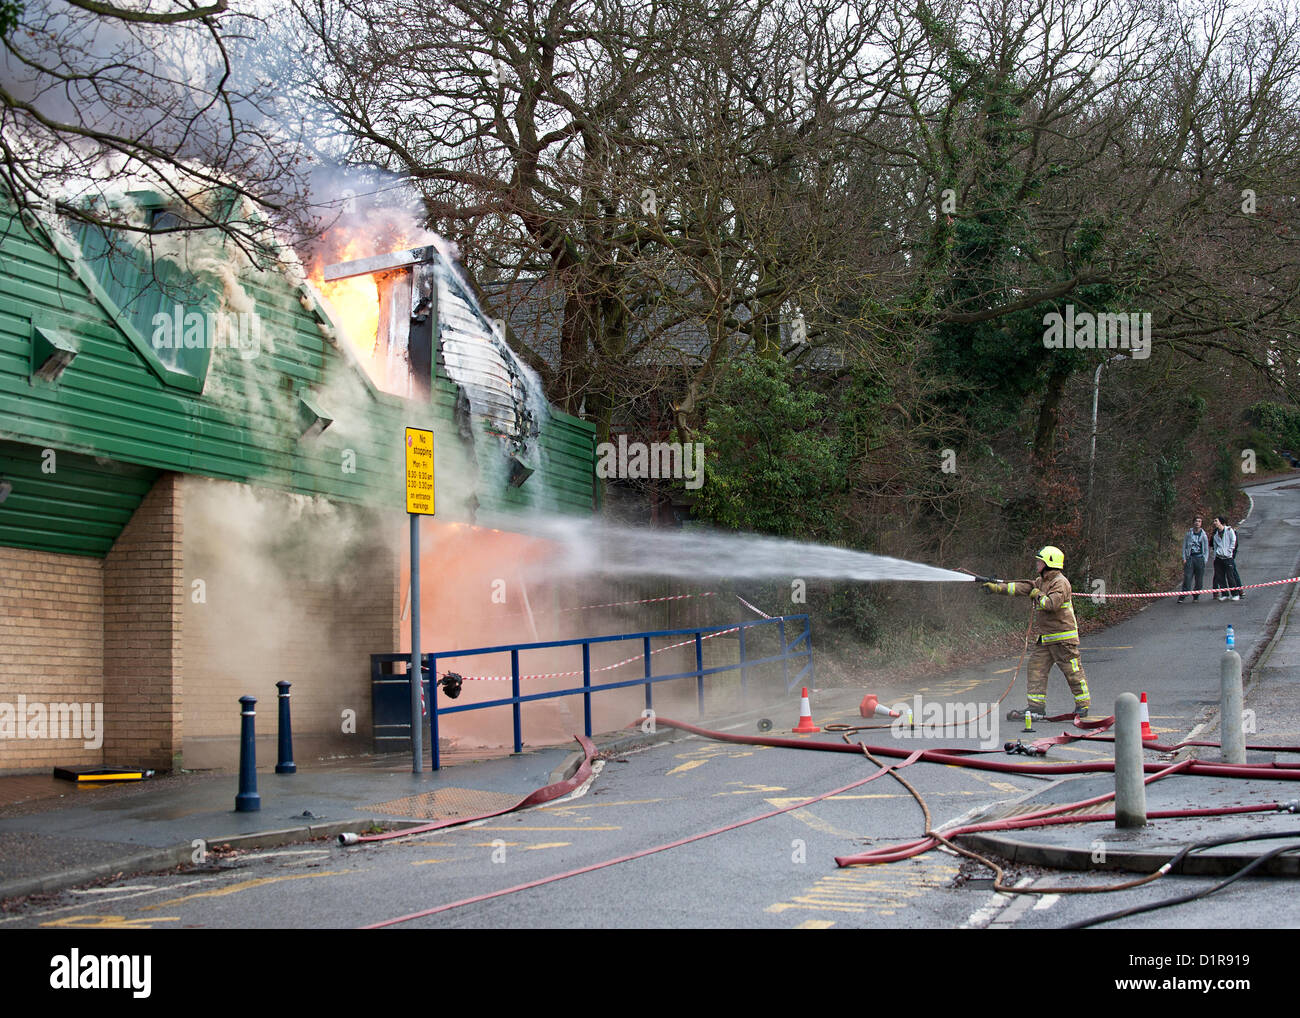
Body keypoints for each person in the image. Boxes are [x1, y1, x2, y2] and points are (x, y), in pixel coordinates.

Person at [982, 546, 1091, 719]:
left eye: (1040, 561)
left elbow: (1050, 605)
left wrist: (1037, 595)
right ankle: (1036, 707)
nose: (1037, 563)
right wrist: (997, 588)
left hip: (1063, 639)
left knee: (1073, 672)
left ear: (1049, 563)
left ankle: (1082, 705)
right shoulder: (1042, 581)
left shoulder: (1060, 583)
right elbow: (1023, 588)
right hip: (1046, 639)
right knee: (1036, 669)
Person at [1212, 515, 1243, 601]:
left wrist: (1230, 551)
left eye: (1216, 521)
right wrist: (1215, 556)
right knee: (1220, 577)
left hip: (1228, 558)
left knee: (1230, 576)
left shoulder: (1229, 530)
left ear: (1220, 522)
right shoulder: (1216, 534)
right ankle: (1224, 594)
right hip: (1218, 558)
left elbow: (1233, 541)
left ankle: (1235, 594)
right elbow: (1215, 546)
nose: (1214, 523)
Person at [1178, 516, 1209, 603]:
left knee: (1199, 580)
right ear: (1193, 522)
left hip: (1199, 558)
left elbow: (1206, 549)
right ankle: (1183, 595)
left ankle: (1196, 596)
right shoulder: (1189, 534)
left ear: (1201, 523)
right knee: (1187, 577)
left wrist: (1204, 560)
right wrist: (1184, 558)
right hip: (1190, 558)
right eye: (1196, 521)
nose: (1197, 523)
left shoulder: (1203, 535)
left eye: (1199, 521)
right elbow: (1184, 546)